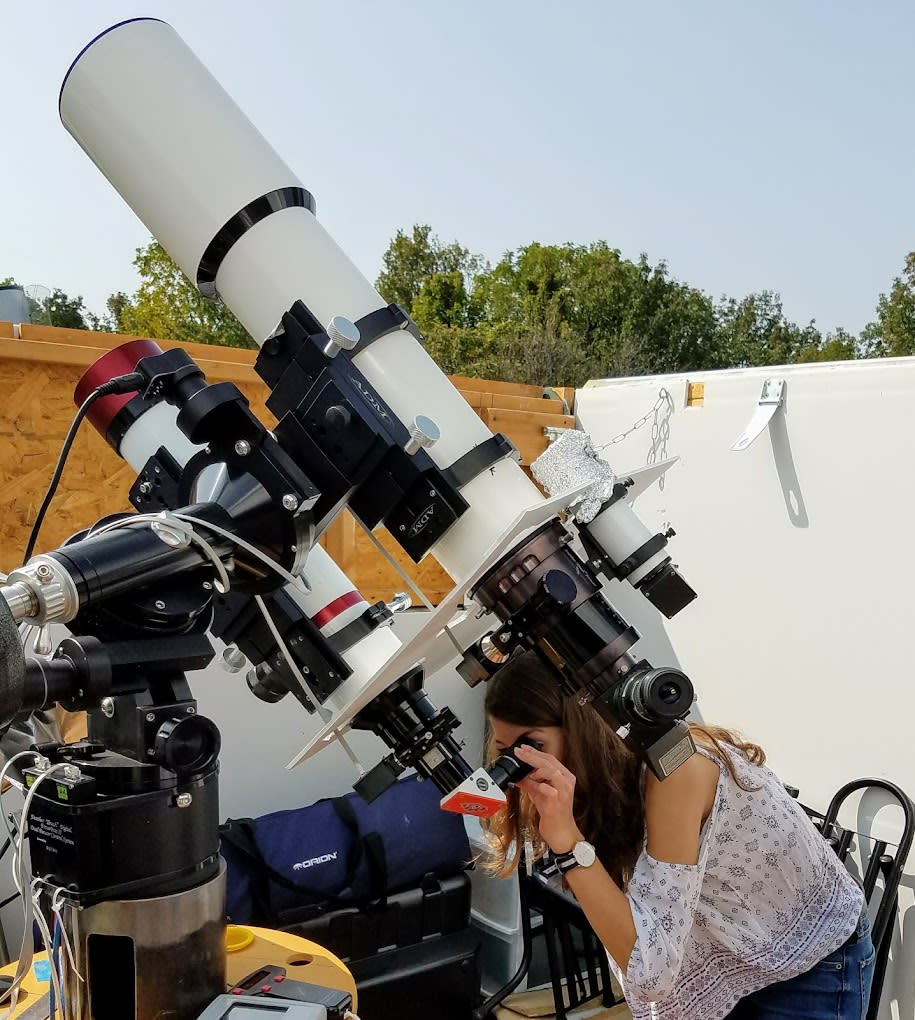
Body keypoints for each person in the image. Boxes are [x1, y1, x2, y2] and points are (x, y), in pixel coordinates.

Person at [482, 650, 874, 1020]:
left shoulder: (678, 769)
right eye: (505, 752)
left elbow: (649, 970)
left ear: (585, 730)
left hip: (810, 960)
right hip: (737, 954)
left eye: (532, 747)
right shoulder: (606, 784)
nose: (521, 767)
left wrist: (568, 842)